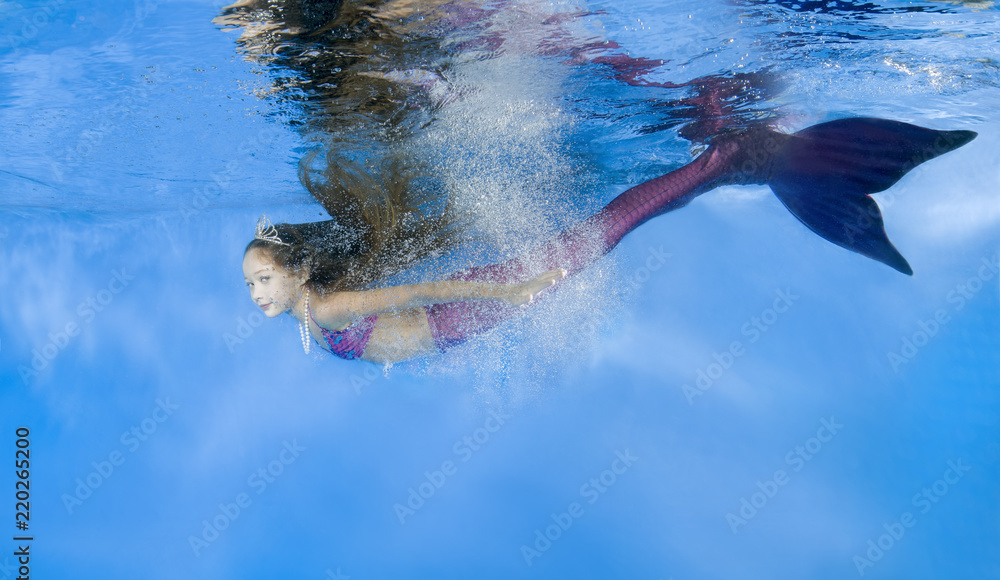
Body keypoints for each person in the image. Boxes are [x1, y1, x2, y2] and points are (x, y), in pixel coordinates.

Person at [243, 117, 976, 364]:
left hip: (469, 306)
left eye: (260, 280)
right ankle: (720, 163)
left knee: (596, 237)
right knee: (595, 238)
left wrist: (511, 289)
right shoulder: (314, 308)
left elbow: (416, 292)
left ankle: (719, 158)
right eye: (253, 283)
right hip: (464, 314)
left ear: (297, 274)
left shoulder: (330, 308)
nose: (255, 293)